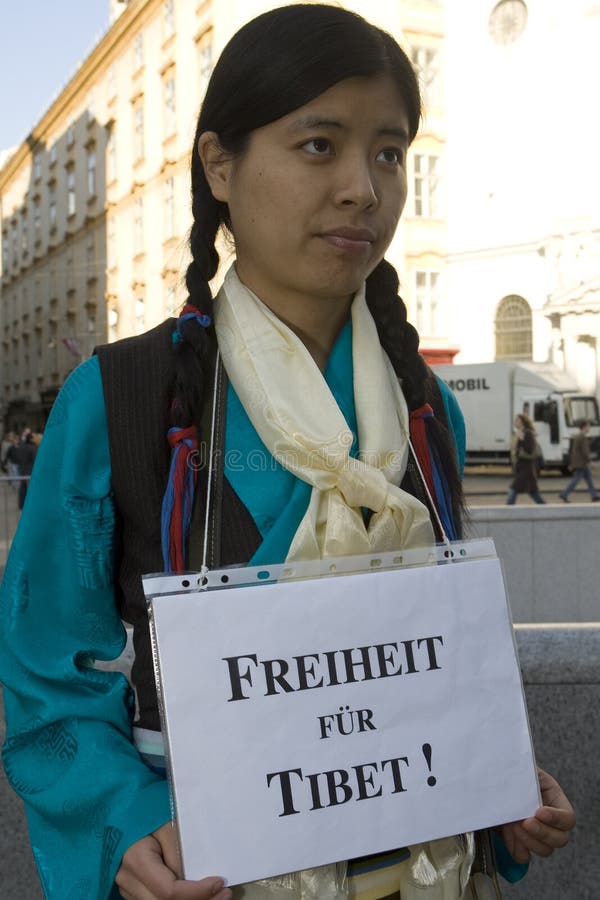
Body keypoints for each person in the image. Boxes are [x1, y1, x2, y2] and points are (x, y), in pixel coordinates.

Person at [0, 6, 574, 900]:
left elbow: (436, 668)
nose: (365, 189)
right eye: (319, 146)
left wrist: (496, 777)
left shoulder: (427, 415)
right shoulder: (122, 401)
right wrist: (126, 818)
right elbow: (44, 677)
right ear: (220, 165)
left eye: (389, 152)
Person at [506, 413, 546, 505]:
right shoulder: (520, 433)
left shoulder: (527, 433)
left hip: (526, 468)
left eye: (517, 420)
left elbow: (529, 449)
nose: (515, 422)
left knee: (513, 490)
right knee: (533, 493)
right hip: (523, 468)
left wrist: (522, 439)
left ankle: (507, 512)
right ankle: (546, 508)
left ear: (522, 422)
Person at [559, 420, 600, 502]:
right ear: (584, 427)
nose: (589, 428)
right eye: (588, 426)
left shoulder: (577, 436)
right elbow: (585, 451)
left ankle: (594, 495)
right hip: (581, 463)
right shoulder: (582, 437)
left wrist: (572, 463)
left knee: (589, 480)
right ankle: (564, 494)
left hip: (580, 463)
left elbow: (574, 451)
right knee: (576, 481)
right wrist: (590, 461)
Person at [10, 429, 38, 511]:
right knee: (30, 489)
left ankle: (21, 504)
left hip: (22, 470)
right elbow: (35, 459)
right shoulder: (32, 448)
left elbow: (18, 457)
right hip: (30, 471)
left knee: (22, 488)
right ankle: (30, 505)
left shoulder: (21, 446)